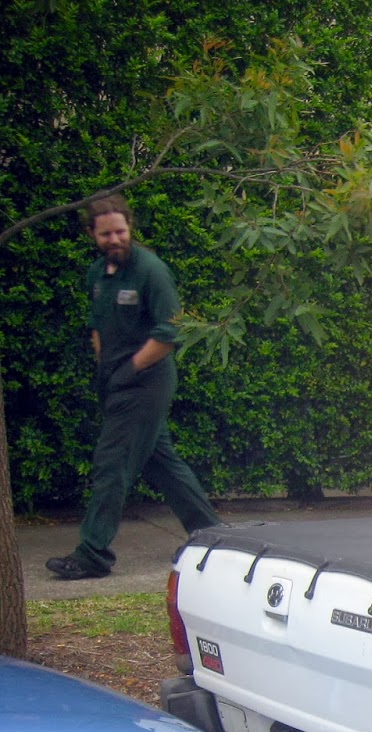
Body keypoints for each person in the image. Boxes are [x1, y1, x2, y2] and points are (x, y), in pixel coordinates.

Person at [45, 195, 220, 581]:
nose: (115, 239)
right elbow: (96, 326)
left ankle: (93, 554)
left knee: (112, 464)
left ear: (131, 228)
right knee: (161, 461)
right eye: (106, 234)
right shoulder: (98, 274)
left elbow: (171, 332)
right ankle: (213, 538)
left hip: (147, 380)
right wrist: (106, 370)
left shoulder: (150, 270)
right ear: (92, 234)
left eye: (120, 231)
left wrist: (130, 370)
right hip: (115, 380)